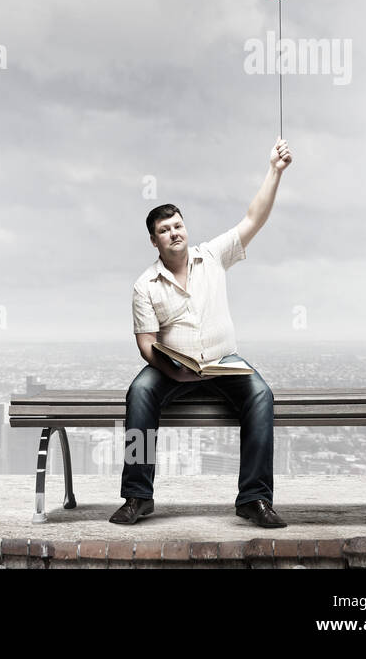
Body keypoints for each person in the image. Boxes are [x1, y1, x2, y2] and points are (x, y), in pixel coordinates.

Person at [109, 138, 293, 528]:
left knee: (261, 395)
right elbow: (146, 344)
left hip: (224, 361)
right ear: (154, 240)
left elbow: (253, 218)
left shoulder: (212, 256)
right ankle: (137, 497)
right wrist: (173, 370)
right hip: (171, 368)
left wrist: (274, 171)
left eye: (178, 225)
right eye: (164, 229)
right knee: (139, 392)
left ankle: (254, 499)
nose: (174, 232)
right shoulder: (145, 285)